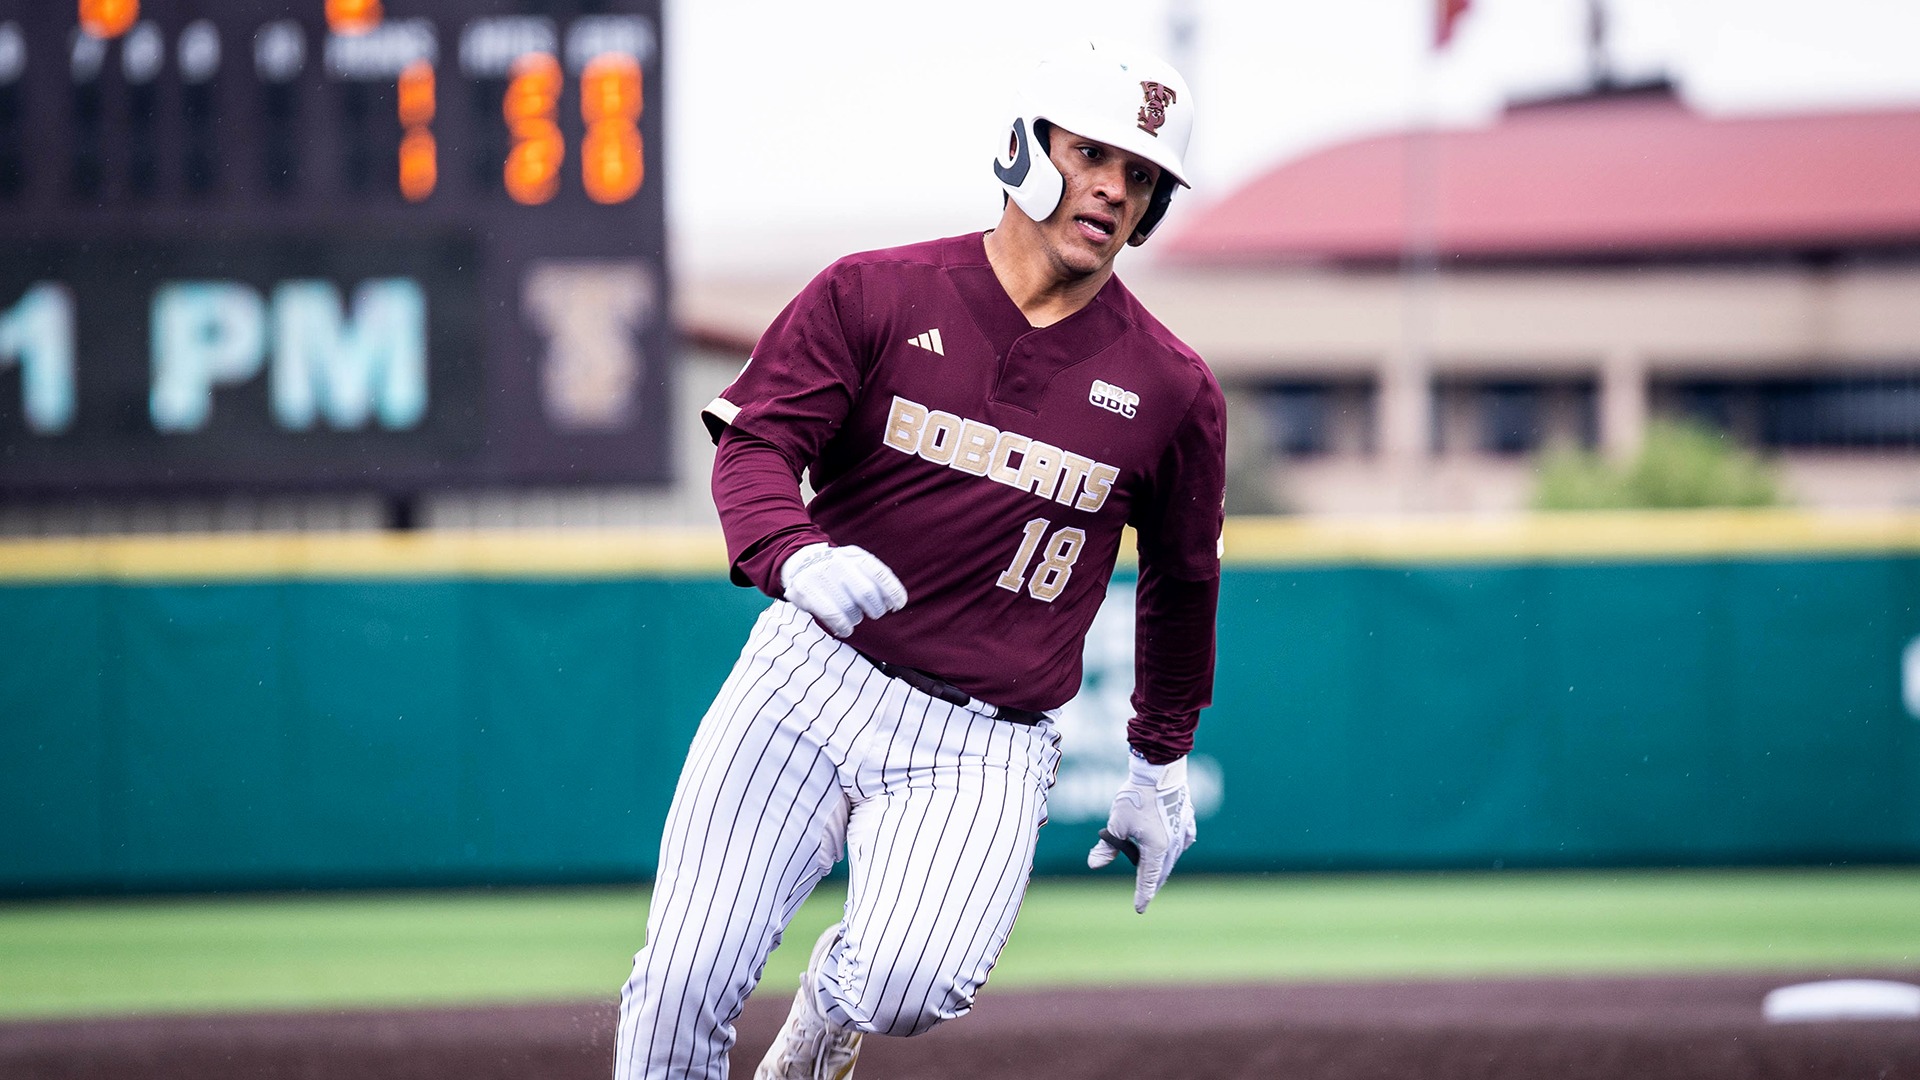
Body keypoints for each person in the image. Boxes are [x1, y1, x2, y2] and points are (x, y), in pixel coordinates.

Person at [613, 38, 1225, 1080]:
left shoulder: (1173, 387)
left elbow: (1183, 580)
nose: (1118, 191)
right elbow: (759, 445)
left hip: (985, 743)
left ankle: (822, 1030)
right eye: (1096, 156)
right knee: (682, 982)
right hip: (809, 680)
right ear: (1028, 149)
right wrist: (790, 553)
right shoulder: (875, 293)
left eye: (1143, 176)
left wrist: (1159, 754)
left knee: (907, 981)